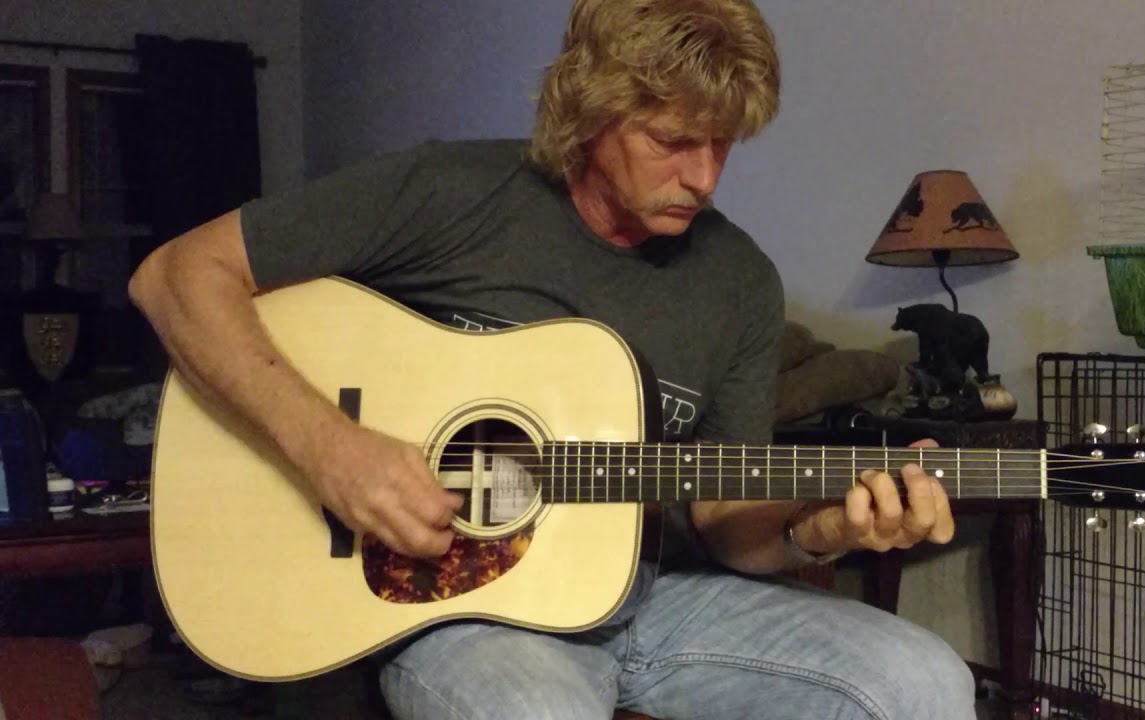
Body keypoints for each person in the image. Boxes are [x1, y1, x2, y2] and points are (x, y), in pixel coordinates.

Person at [128, 1, 976, 717]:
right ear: (591, 109)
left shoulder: (738, 279)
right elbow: (174, 277)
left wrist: (821, 530)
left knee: (926, 681)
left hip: (662, 599)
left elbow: (725, 525)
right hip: (466, 611)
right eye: (674, 140)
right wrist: (331, 449)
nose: (705, 177)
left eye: (723, 145)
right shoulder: (450, 193)